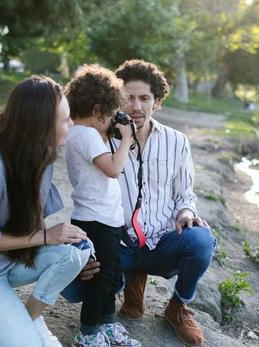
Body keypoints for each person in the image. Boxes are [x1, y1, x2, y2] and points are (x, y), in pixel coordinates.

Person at [62, 60, 216, 346]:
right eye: (127, 98)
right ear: (114, 103)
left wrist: (186, 212)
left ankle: (178, 307)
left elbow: (186, 193)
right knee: (76, 285)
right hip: (117, 242)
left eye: (144, 98)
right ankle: (128, 291)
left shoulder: (177, 141)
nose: (135, 106)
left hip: (160, 242)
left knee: (201, 241)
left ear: (156, 102)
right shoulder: (100, 140)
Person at [0, 76, 93, 347]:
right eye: (65, 120)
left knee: (78, 248)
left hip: (9, 262)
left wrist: (58, 244)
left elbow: (29, 223)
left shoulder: (41, 156)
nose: (71, 125)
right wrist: (45, 237)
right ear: (40, 125)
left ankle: (29, 318)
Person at [63, 64, 140, 347]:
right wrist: (127, 139)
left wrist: (112, 136)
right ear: (98, 110)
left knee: (110, 275)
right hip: (96, 219)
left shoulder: (82, 133)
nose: (111, 120)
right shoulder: (85, 135)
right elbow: (112, 169)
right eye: (109, 115)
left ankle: (106, 326)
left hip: (104, 218)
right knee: (101, 278)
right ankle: (87, 333)